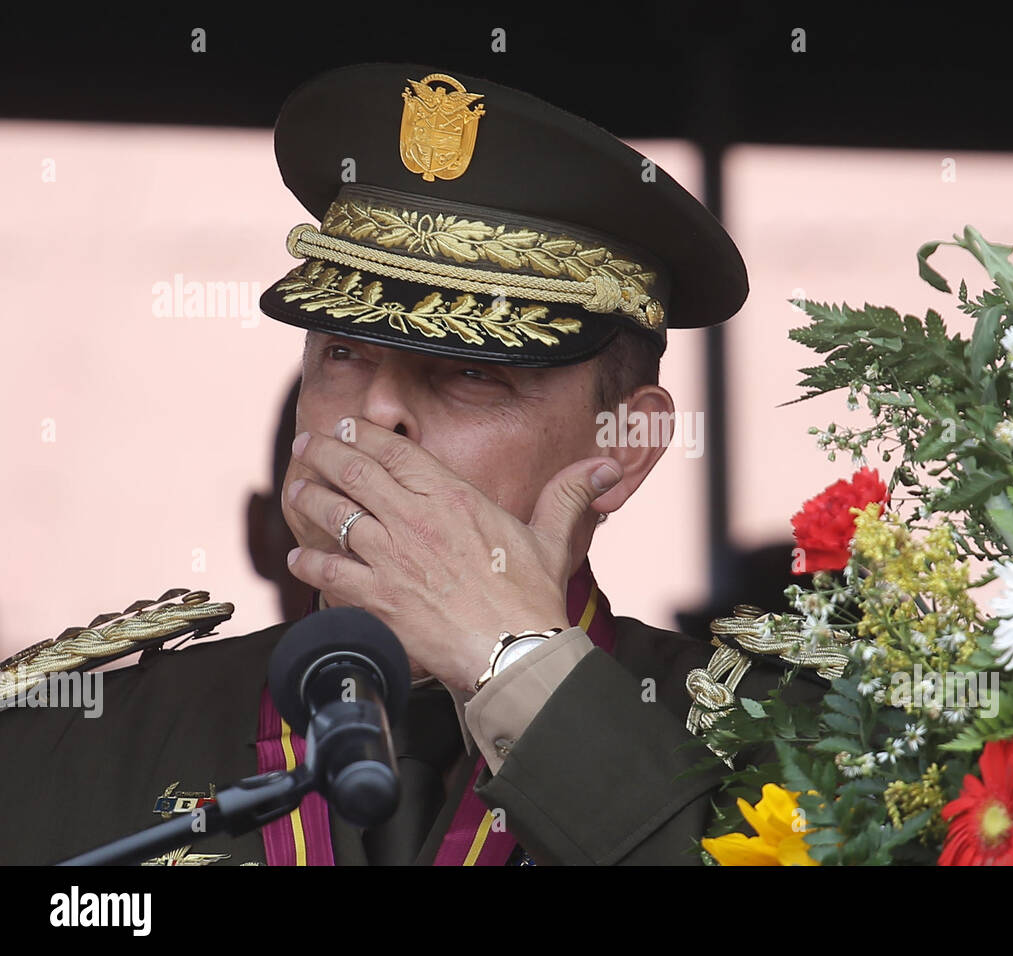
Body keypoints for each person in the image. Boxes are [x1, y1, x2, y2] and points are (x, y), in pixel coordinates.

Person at [0, 63, 824, 866]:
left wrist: (522, 675)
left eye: (472, 371)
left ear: (625, 441)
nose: (375, 412)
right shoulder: (65, 741)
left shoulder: (807, 749)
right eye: (343, 353)